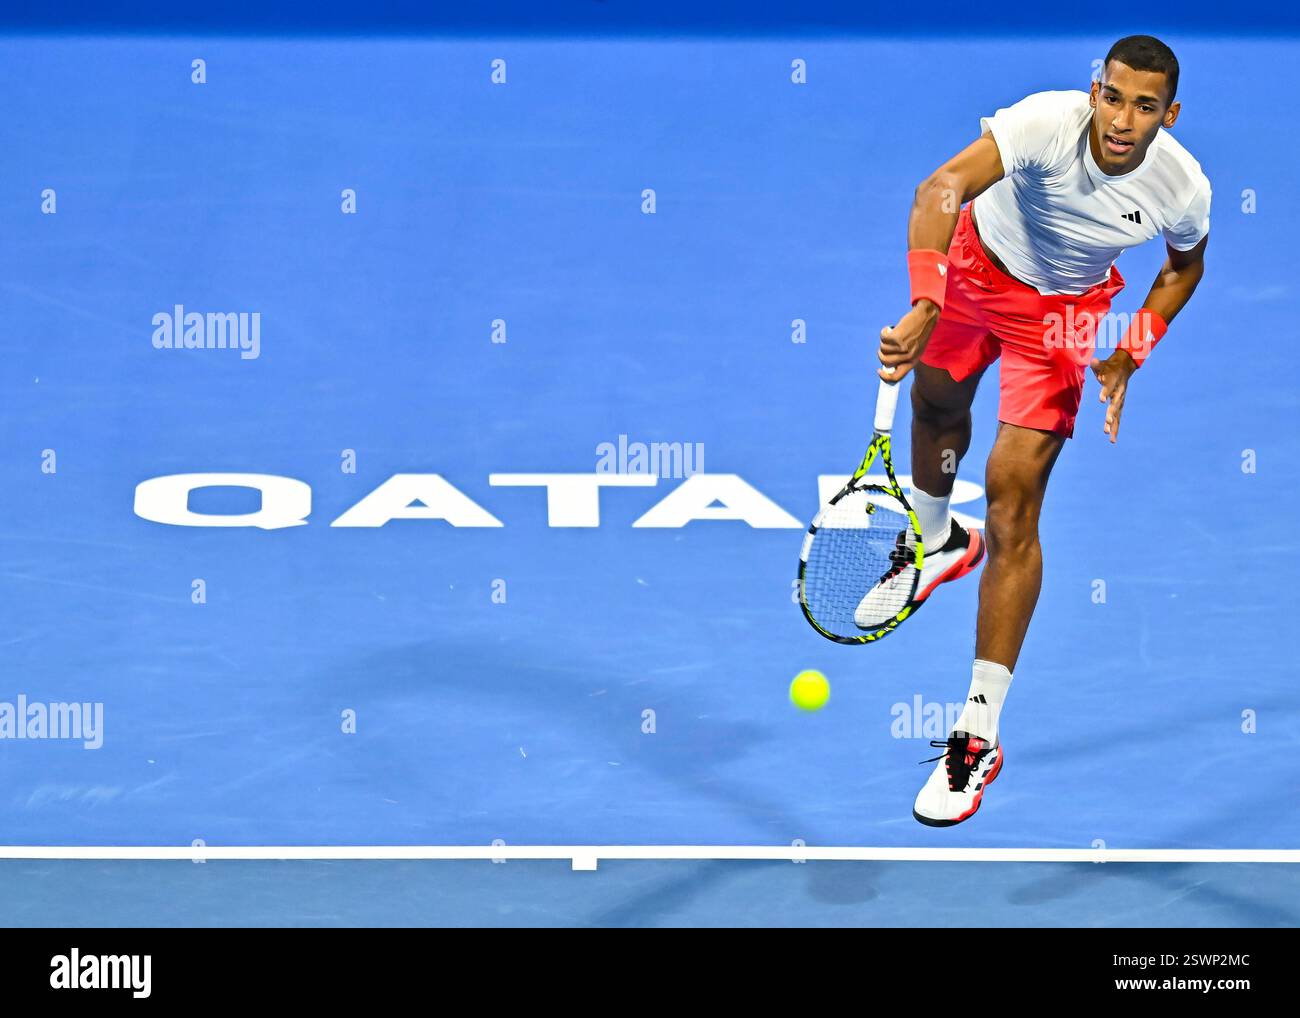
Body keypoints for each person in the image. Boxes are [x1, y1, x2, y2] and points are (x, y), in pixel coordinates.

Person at [868, 35, 1211, 826]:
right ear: (1097, 90)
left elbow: (1184, 267)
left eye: (1146, 106)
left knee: (1012, 496)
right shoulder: (1044, 123)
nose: (1124, 120)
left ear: (1171, 112)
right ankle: (935, 543)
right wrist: (926, 300)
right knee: (937, 406)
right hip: (973, 269)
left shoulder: (1181, 185)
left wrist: (1132, 351)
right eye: (1114, 96)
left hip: (1059, 321)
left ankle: (976, 733)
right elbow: (942, 186)